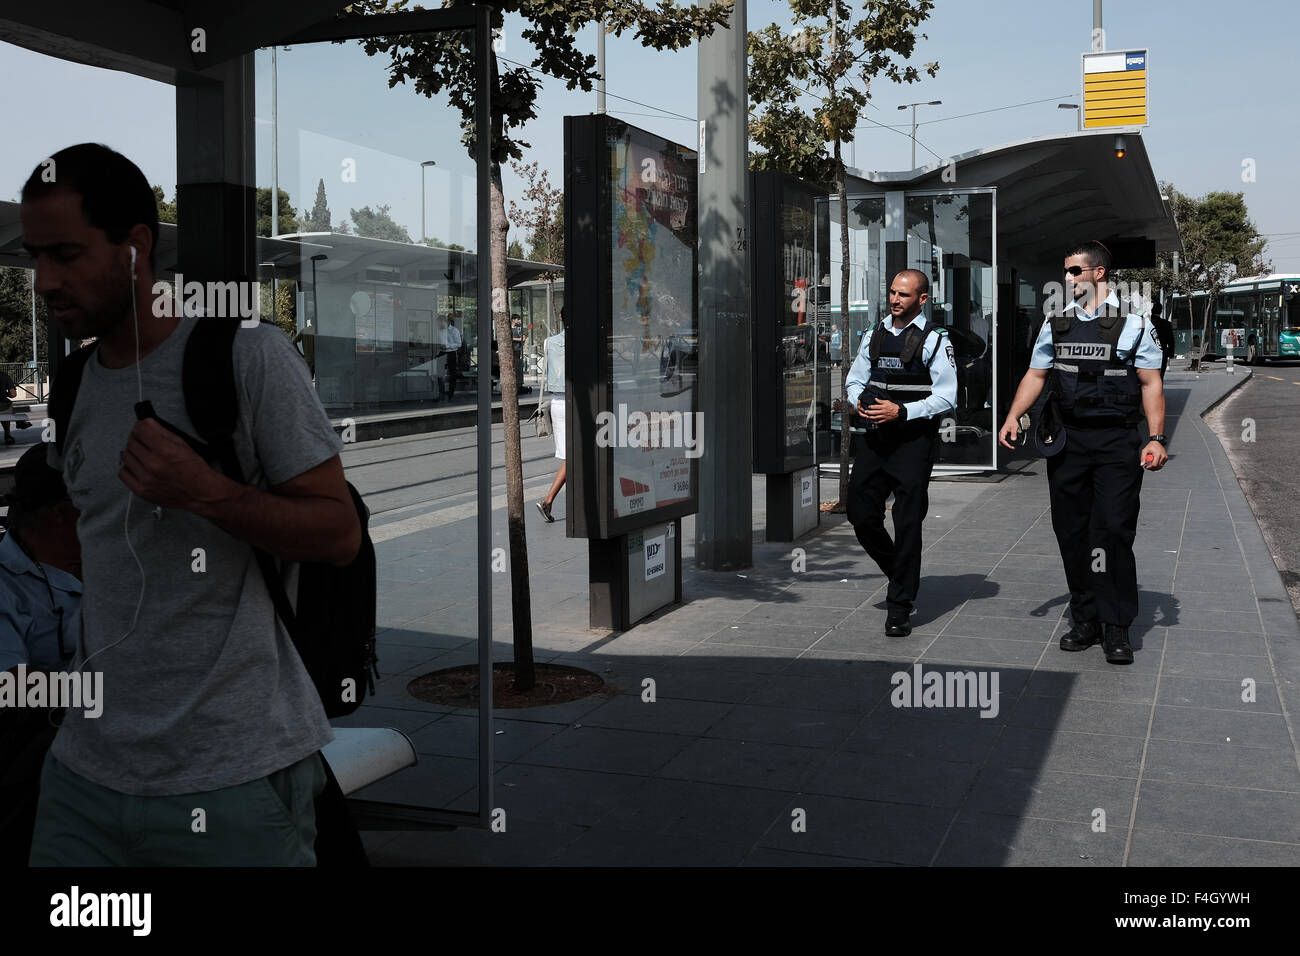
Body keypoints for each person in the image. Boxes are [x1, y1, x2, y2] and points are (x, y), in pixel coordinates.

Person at [21, 142, 361, 865]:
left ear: (136, 248)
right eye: (35, 256)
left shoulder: (244, 355)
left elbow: (338, 533)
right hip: (84, 775)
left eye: (67, 255)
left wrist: (207, 493)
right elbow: (91, 543)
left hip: (230, 777)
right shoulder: (75, 382)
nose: (45, 280)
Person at [998, 240, 1167, 665]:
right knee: (1071, 532)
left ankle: (1116, 626)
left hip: (1116, 442)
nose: (1069, 279)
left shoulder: (1134, 323)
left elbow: (1150, 383)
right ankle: (1085, 618)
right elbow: (1036, 375)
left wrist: (1156, 438)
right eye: (1067, 271)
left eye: (1075, 271)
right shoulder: (1056, 324)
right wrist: (1013, 416)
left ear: (1098, 274)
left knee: (1111, 532)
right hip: (1069, 442)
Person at [839, 269, 957, 636]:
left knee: (907, 524)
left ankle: (899, 606)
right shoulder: (873, 333)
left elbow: (947, 395)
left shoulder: (936, 340)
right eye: (892, 292)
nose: (895, 299)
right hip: (874, 439)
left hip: (912, 443)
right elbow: (855, 378)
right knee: (860, 514)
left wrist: (903, 411)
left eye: (904, 295)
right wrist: (857, 399)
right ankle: (900, 572)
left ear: (922, 299)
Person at [0, 444, 83, 866]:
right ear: (61, 513)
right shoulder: (5, 585)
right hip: (43, 748)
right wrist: (98, 695)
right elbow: (13, 688)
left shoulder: (106, 562)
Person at [536, 308, 566, 523]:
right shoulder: (585, 341)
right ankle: (548, 499)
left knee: (570, 456)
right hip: (578, 401)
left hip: (557, 403)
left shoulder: (549, 342)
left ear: (561, 318)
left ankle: (549, 500)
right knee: (577, 456)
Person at [1149, 300, 1175, 379]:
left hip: (1147, 351)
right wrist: (1171, 353)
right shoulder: (1166, 324)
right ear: (1161, 311)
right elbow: (1171, 340)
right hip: (1162, 352)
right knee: (1160, 376)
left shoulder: (1146, 322)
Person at [445, 315, 463, 399]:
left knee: (452, 374)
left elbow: (459, 344)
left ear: (448, 322)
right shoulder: (440, 330)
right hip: (441, 354)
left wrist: (447, 346)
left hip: (451, 353)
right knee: (440, 374)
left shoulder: (454, 330)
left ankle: (450, 394)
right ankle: (441, 393)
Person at [0, 369, 16, 444]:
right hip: (2, 407)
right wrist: (6, 394)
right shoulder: (4, 376)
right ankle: (7, 435)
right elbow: (13, 394)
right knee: (6, 408)